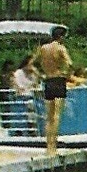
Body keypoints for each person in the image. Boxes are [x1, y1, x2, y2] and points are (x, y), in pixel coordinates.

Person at [28, 26, 74, 155]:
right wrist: (67, 74)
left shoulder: (43, 48)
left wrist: (41, 74)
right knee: (57, 116)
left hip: (48, 80)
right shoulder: (60, 48)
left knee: (48, 117)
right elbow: (70, 63)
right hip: (59, 80)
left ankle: (49, 148)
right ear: (61, 36)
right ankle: (54, 147)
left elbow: (31, 64)